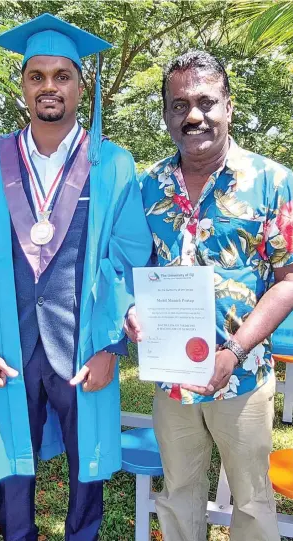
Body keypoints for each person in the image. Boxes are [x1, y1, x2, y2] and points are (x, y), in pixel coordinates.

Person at [0, 13, 152, 541]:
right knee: (14, 467)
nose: (49, 86)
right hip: (10, 341)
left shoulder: (111, 163)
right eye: (37, 76)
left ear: (78, 83)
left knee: (85, 460)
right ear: (23, 85)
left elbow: (129, 256)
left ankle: (82, 535)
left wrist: (110, 345)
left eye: (61, 75)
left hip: (83, 340)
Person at [125, 50, 293, 541]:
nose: (193, 115)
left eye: (205, 102)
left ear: (229, 107)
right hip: (171, 379)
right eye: (179, 105)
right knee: (178, 493)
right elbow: (135, 270)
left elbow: (288, 279)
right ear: (166, 113)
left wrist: (235, 350)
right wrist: (131, 309)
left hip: (240, 377)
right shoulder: (146, 186)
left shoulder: (273, 182)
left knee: (252, 500)